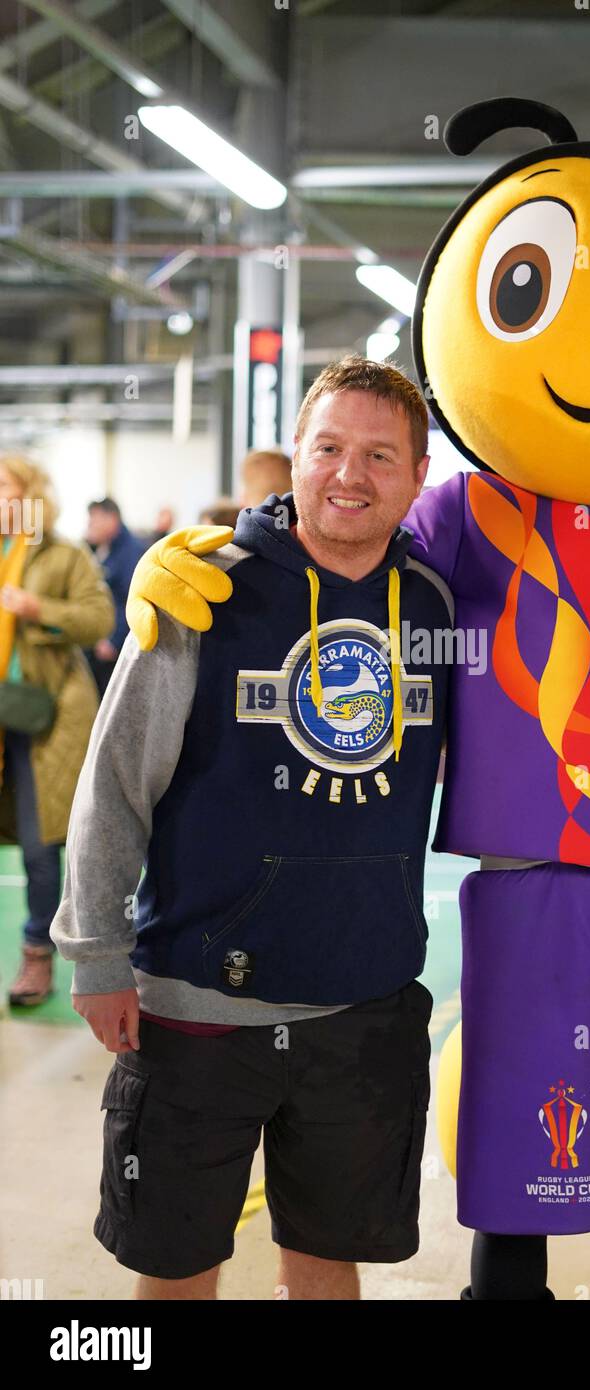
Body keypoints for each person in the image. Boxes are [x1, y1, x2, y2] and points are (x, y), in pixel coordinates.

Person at [130, 101, 590, 1303]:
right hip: (523, 880)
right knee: (527, 1098)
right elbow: (338, 539)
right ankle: (504, 1293)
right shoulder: (467, 515)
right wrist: (228, 544)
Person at [50, 358, 451, 1300]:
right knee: (178, 1266)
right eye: (330, 449)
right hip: (196, 1007)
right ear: (296, 462)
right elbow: (114, 784)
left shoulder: (434, 607)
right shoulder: (202, 590)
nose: (350, 474)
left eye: (380, 456)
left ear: (417, 478)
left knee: (324, 1261)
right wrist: (97, 953)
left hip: (363, 1008)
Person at [0, 457, 114, 1007]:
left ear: (30, 496)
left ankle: (37, 956)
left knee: (42, 845)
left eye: (4, 489)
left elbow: (99, 620)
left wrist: (34, 608)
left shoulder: (61, 553)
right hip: (4, 718)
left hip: (47, 720)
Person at [84, 498, 145, 697]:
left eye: (94, 520)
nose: (90, 526)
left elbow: (133, 599)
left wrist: (115, 640)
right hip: (102, 639)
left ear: (112, 519)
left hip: (116, 647)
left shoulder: (130, 552)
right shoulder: (105, 548)